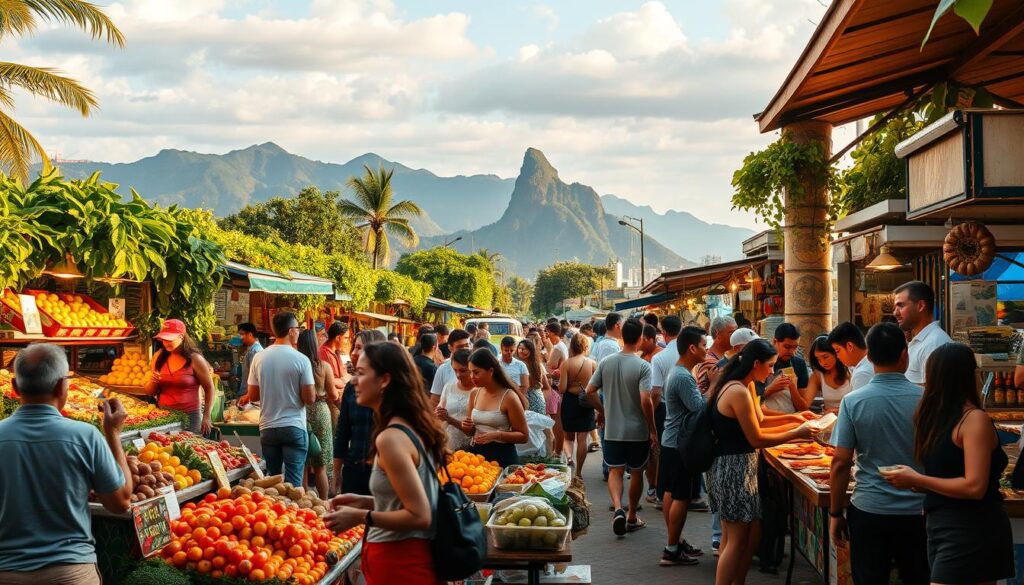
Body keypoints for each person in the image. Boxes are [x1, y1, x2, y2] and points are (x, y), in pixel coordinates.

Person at [881, 343, 1013, 584]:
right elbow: (949, 475)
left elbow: (974, 487)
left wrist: (918, 480)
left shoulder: (973, 420)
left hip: (972, 527)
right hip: (942, 524)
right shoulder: (937, 418)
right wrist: (919, 483)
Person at [0, 344, 133, 583]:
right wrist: (113, 434)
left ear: (14, 387)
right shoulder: (85, 436)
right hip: (71, 572)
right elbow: (120, 502)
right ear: (62, 386)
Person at [323, 341, 446, 585]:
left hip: (401, 567)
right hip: (406, 563)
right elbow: (408, 501)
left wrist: (362, 515)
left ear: (385, 380)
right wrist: (366, 501)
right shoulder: (410, 426)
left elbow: (420, 515)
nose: (353, 380)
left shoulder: (391, 438)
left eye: (361, 373)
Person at [829, 322, 929, 585]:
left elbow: (840, 463)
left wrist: (835, 513)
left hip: (869, 510)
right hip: (919, 512)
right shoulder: (926, 400)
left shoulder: (853, 401)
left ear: (870, 356)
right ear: (905, 355)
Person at [706, 339, 813, 585]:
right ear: (756, 364)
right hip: (733, 469)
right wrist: (797, 432)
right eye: (771, 365)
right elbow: (756, 438)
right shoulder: (737, 391)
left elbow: (761, 420)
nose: (773, 372)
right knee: (735, 539)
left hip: (738, 467)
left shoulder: (747, 386)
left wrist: (796, 419)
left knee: (743, 536)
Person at [585, 317, 656, 536]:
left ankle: (617, 507)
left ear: (622, 336)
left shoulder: (606, 362)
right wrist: (653, 429)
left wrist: (603, 411)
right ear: (641, 338)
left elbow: (589, 391)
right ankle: (632, 515)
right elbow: (646, 400)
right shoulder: (643, 366)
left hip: (613, 429)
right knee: (636, 472)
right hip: (637, 431)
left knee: (615, 471)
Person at [658, 326, 712, 566]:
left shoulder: (679, 372)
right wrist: (714, 385)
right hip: (681, 444)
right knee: (681, 497)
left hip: (672, 441)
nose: (706, 350)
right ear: (692, 348)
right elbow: (699, 409)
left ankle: (675, 541)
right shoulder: (682, 376)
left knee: (671, 493)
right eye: (703, 345)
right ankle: (671, 549)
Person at [244, 312, 315, 487]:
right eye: (298, 328)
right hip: (293, 426)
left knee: (272, 483)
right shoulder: (302, 360)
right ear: (291, 331)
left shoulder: (259, 357)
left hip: (268, 428)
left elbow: (253, 396)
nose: (298, 332)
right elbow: (310, 398)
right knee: (293, 484)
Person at [333, 329, 385, 496]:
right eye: (354, 347)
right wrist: (336, 471)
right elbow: (342, 432)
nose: (354, 352)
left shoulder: (392, 392)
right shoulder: (351, 388)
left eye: (359, 347)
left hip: (382, 473)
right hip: (354, 469)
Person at [144, 318, 216, 435]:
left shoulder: (195, 359)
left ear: (181, 337)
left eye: (169, 339)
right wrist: (153, 381)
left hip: (191, 417)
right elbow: (150, 392)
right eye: (163, 339)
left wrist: (207, 416)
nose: (166, 342)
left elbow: (209, 388)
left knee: (190, 446)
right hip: (164, 417)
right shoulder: (158, 357)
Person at [462, 348, 529, 467]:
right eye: (470, 372)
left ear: (491, 371)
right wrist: (466, 427)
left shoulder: (509, 397)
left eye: (476, 372)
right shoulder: (474, 393)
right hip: (478, 458)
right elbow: (470, 432)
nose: (472, 377)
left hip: (502, 456)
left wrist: (497, 435)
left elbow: (523, 436)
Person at [296, 330, 339, 500]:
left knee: (303, 464)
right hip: (321, 412)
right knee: (320, 465)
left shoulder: (297, 366)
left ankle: (303, 501)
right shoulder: (324, 367)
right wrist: (323, 395)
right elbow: (334, 395)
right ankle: (324, 502)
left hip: (302, 412)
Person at [893, 280, 952, 385]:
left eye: (901, 305)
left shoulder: (935, 344)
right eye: (895, 307)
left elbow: (934, 392)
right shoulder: (924, 341)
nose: (895, 313)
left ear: (920, 306)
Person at [559, 333, 597, 476]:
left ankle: (569, 458)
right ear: (586, 346)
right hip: (586, 402)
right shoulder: (592, 363)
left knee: (568, 437)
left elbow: (562, 389)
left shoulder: (566, 364)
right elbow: (596, 387)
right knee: (583, 439)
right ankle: (579, 472)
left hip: (570, 402)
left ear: (572, 346)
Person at [762, 323, 811, 413]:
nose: (792, 352)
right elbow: (751, 401)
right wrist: (771, 388)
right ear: (775, 342)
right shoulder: (762, 361)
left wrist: (793, 388)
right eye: (787, 347)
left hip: (793, 417)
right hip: (767, 417)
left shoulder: (799, 364)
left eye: (795, 347)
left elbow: (803, 408)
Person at [435, 348, 475, 452]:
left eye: (463, 370)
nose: (458, 375)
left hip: (469, 448)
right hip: (446, 443)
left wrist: (449, 419)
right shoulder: (449, 387)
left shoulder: (479, 391)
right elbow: (439, 411)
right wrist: (439, 413)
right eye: (455, 370)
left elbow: (473, 429)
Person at [429, 329, 473, 407]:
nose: (465, 349)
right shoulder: (443, 369)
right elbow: (435, 400)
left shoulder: (478, 367)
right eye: (460, 347)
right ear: (450, 348)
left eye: (467, 345)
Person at [807, 335, 851, 411]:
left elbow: (860, 402)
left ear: (835, 353)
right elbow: (805, 404)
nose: (822, 363)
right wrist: (792, 387)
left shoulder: (850, 370)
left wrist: (837, 410)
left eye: (825, 357)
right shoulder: (818, 375)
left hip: (849, 416)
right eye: (818, 359)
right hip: (829, 417)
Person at [828, 321, 874, 391]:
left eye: (837, 351)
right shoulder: (870, 362)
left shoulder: (862, 374)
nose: (837, 356)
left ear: (849, 346)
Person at [695, 316, 736, 394]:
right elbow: (704, 394)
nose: (735, 336)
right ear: (718, 334)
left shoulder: (728, 356)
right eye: (731, 332)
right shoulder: (708, 362)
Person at [499, 336, 531, 409]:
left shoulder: (521, 365)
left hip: (517, 399)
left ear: (515, 349)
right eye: (506, 350)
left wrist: (513, 397)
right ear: (501, 348)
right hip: (499, 399)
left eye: (511, 350)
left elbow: (525, 386)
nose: (509, 353)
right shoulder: (495, 363)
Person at [237, 322, 263, 397]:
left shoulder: (254, 351)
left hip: (248, 393)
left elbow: (253, 375)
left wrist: (248, 395)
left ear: (250, 334)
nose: (241, 337)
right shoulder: (253, 349)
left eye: (242, 334)